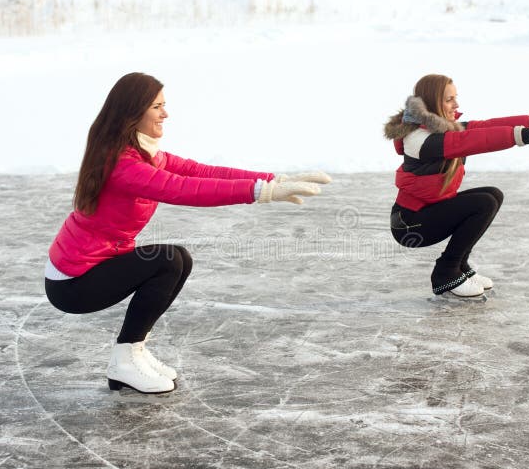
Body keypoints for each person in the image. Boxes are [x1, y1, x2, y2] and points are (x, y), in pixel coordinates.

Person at [44, 72, 331, 394]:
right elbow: (182, 188)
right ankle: (125, 360)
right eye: (157, 106)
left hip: (88, 265)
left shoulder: (138, 153)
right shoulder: (124, 165)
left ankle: (130, 353)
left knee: (176, 259)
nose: (165, 114)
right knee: (168, 261)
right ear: (133, 112)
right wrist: (260, 192)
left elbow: (199, 171)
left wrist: (273, 179)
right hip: (74, 282)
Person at [384, 74, 529, 298]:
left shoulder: (444, 128)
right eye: (449, 99)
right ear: (432, 102)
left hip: (428, 211)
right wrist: (525, 136)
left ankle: (460, 266)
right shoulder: (420, 139)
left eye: (455, 97)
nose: (457, 104)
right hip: (411, 226)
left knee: (492, 195)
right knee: (483, 203)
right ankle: (446, 272)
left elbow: (486, 127)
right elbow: (474, 140)